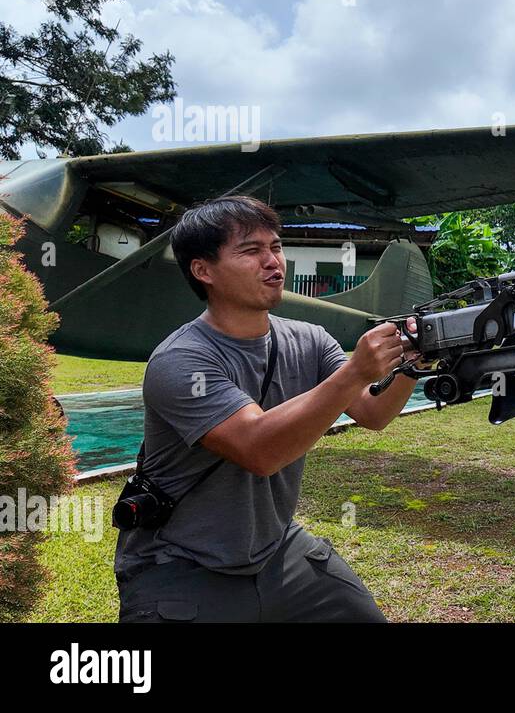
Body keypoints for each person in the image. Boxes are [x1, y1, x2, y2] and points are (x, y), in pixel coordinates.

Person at [113, 196, 419, 622]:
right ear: (203, 271)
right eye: (250, 251)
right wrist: (353, 373)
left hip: (278, 550)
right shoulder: (181, 360)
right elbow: (259, 451)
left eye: (275, 247)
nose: (273, 261)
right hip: (181, 563)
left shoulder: (309, 339)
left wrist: (414, 362)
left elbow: (373, 413)